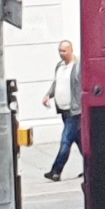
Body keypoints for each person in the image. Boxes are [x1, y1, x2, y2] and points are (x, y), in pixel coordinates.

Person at [41, 39, 84, 180]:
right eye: (59, 50)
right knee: (80, 141)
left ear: (71, 50)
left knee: (66, 140)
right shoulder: (59, 66)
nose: (61, 53)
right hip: (63, 111)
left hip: (75, 111)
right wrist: (48, 95)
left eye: (64, 51)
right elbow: (56, 83)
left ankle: (56, 171)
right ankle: (93, 168)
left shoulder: (78, 67)